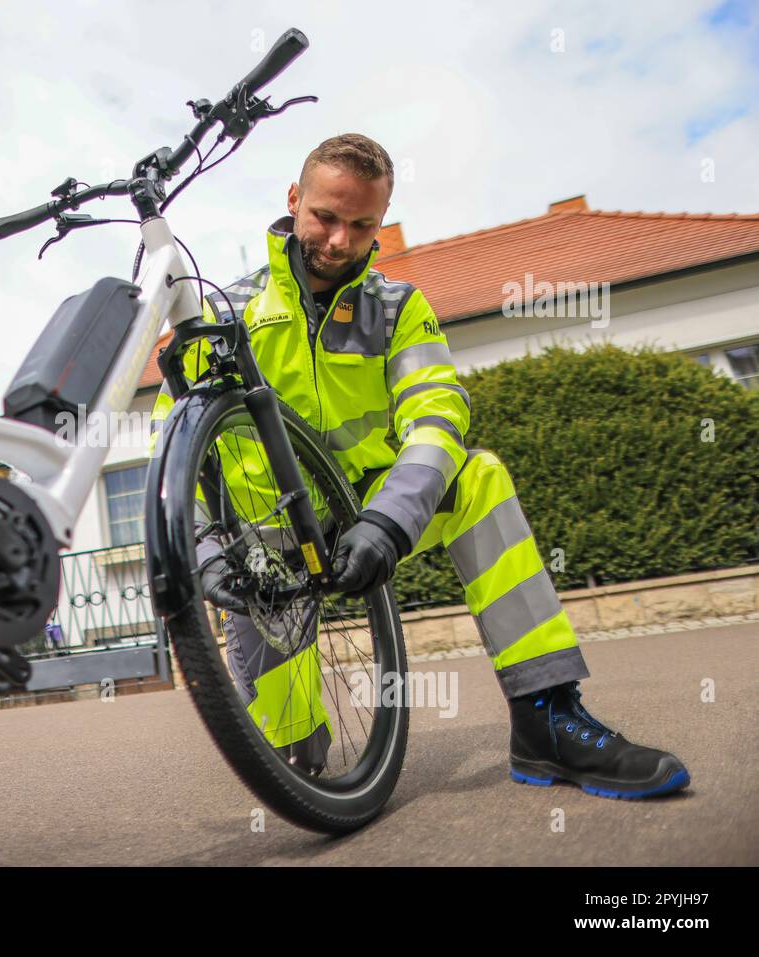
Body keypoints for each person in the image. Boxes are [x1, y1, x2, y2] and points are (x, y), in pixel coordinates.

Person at [148, 133, 690, 799]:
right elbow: (170, 444)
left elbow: (437, 418)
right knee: (298, 760)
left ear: (382, 220)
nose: (341, 240)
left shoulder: (398, 310)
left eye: (362, 224)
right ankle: (299, 737)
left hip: (368, 517)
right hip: (265, 550)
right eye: (325, 216)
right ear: (294, 199)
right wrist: (202, 546)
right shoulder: (221, 316)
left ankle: (549, 719)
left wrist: (389, 522)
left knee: (480, 478)